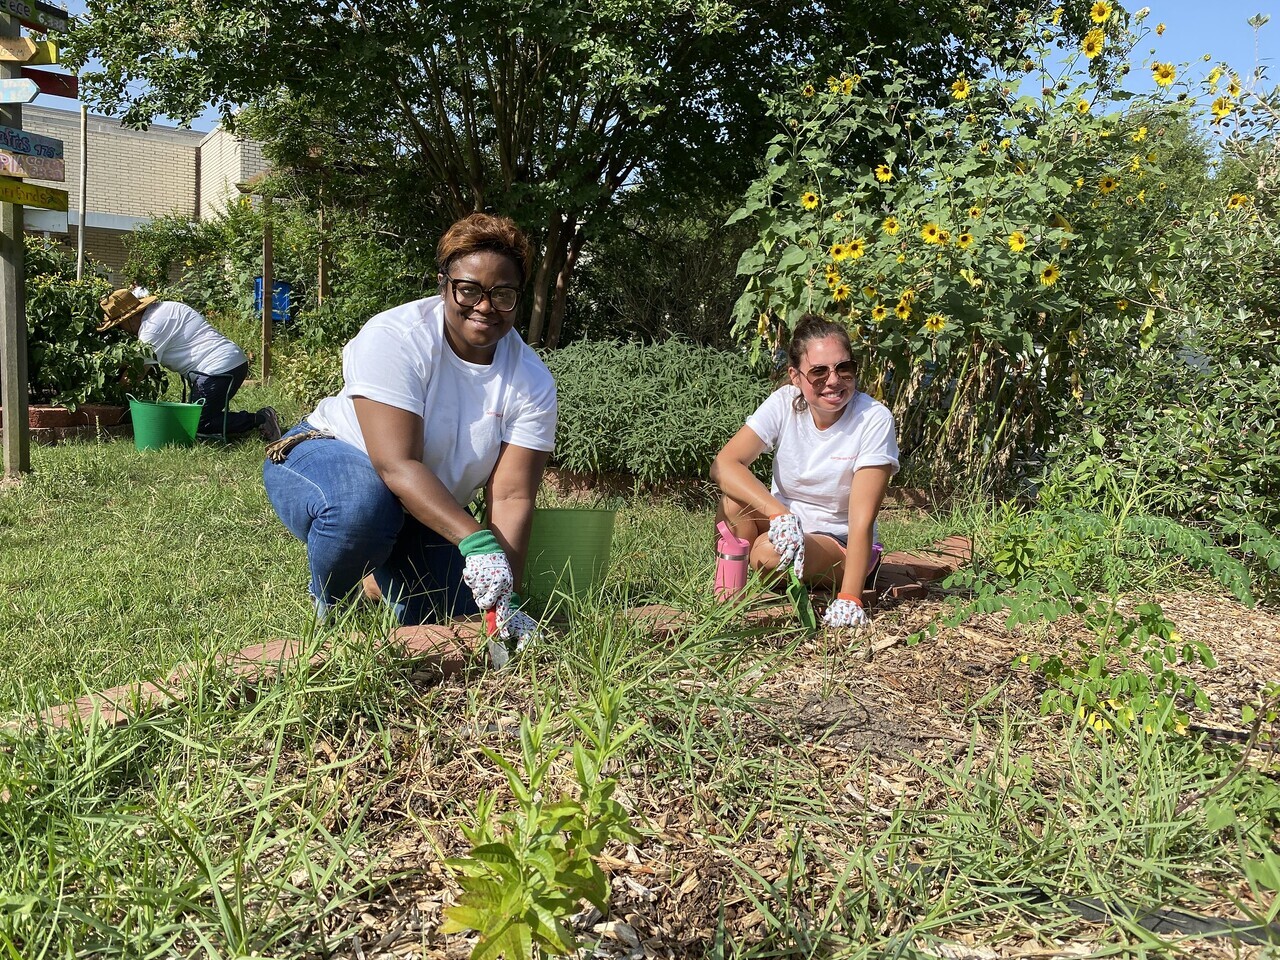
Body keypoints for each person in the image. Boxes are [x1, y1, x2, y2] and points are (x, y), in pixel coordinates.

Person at [261, 213, 557, 656]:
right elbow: (395, 464)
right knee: (360, 507)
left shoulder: (532, 381)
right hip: (330, 457)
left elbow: (513, 495)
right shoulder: (398, 337)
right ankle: (331, 602)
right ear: (444, 284)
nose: (485, 306)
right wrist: (475, 541)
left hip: (425, 501)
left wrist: (504, 597)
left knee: (460, 613)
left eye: (503, 294)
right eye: (469, 289)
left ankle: (375, 580)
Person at [710, 313, 899, 630]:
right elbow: (724, 464)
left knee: (768, 553)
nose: (834, 380)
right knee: (732, 503)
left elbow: (861, 519)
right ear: (796, 376)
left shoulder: (873, 419)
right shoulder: (785, 402)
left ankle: (760, 570)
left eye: (844, 368)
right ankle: (727, 598)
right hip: (782, 526)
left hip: (838, 543)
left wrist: (851, 597)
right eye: (819, 372)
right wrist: (778, 513)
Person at [98, 289, 281, 442]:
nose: (122, 331)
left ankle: (260, 419)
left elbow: (136, 374)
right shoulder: (164, 308)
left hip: (218, 369)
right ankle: (232, 421)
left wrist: (107, 398)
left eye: (120, 326)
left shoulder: (151, 329)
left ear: (129, 319)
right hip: (228, 362)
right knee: (197, 421)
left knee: (199, 425)